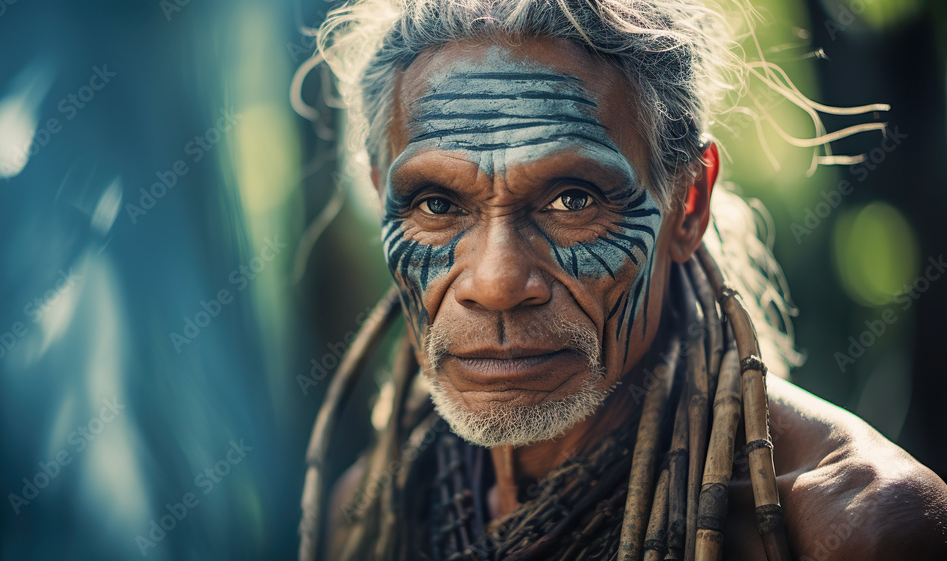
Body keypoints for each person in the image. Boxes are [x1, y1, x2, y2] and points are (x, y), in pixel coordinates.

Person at [297, 1, 947, 560]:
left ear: (687, 203)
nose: (495, 283)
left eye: (573, 200)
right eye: (437, 205)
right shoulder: (368, 515)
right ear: (383, 194)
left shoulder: (859, 527)